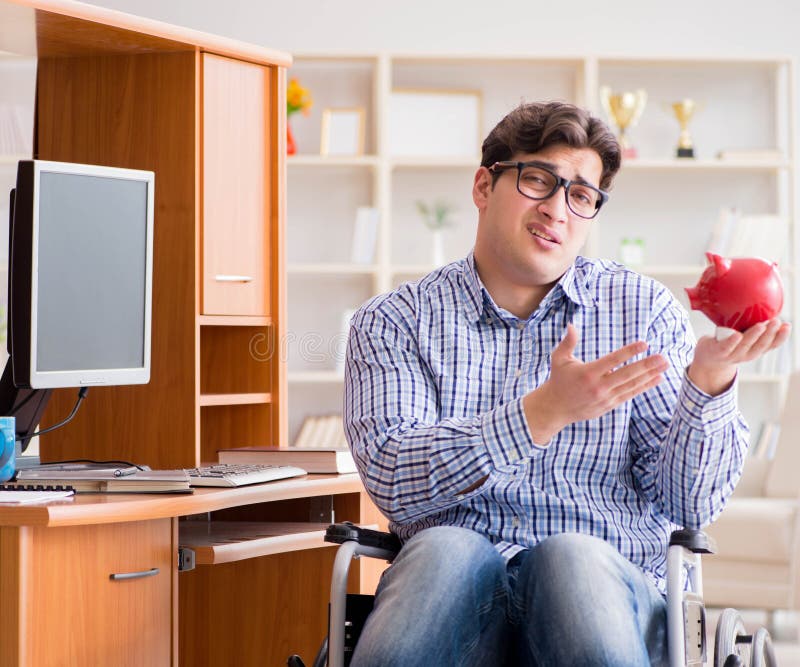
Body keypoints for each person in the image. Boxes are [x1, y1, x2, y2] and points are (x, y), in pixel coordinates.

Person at [342, 101, 790, 666]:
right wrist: (539, 415)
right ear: (484, 186)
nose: (557, 209)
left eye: (581, 195)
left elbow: (690, 504)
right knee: (447, 551)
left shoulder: (642, 311)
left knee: (570, 560)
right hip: (452, 603)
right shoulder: (394, 321)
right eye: (538, 180)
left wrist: (708, 385)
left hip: (604, 595)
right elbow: (393, 478)